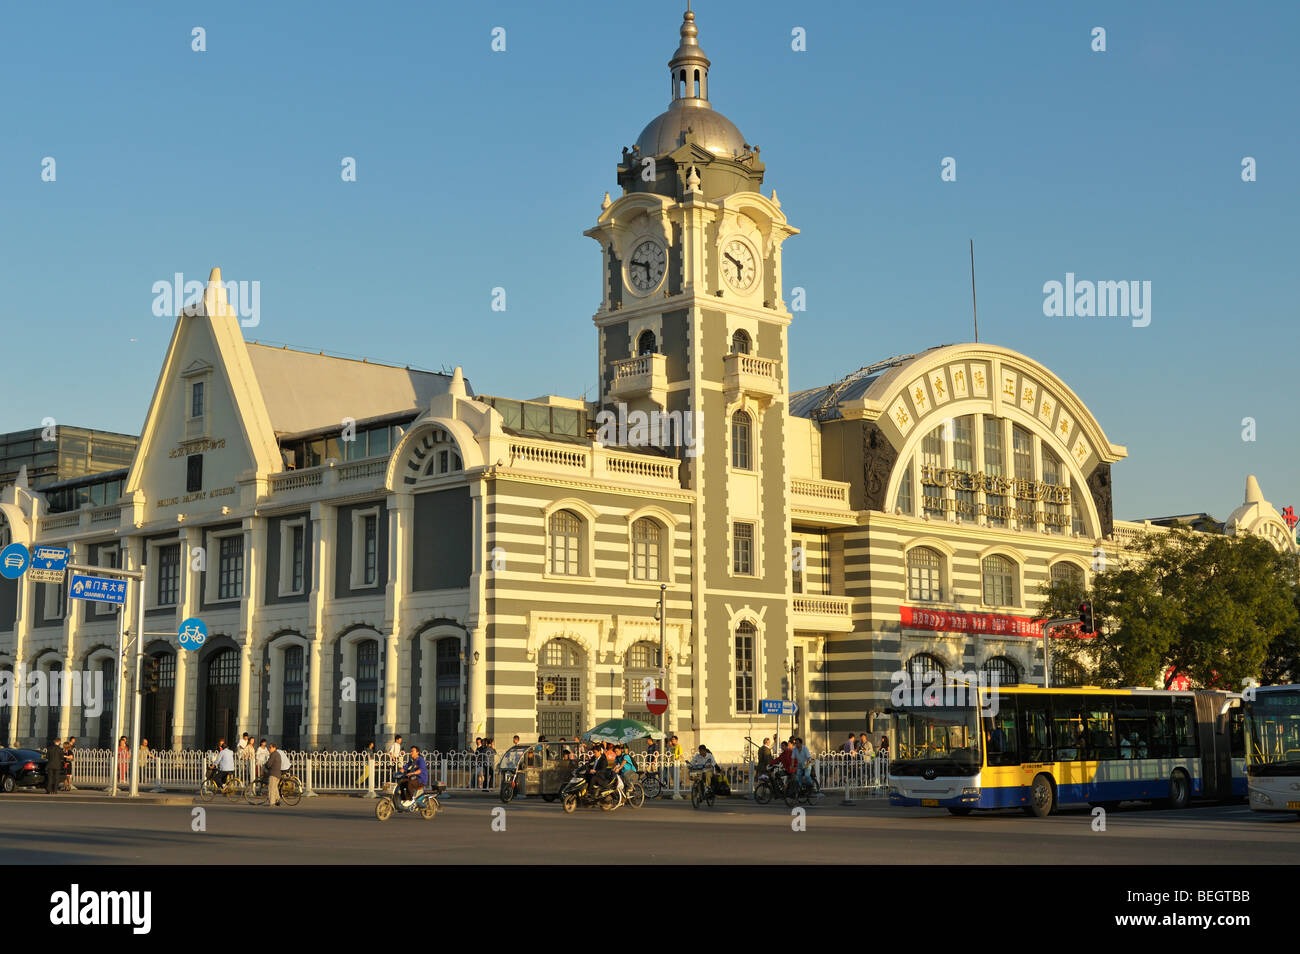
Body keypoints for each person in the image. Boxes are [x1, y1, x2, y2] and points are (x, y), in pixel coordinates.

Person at [266, 742, 288, 807]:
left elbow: (269, 764)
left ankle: (272, 802)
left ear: (274, 748)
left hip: (273, 773)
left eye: (270, 747)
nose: (269, 749)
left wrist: (266, 765)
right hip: (278, 774)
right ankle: (277, 800)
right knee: (275, 788)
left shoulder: (273, 754)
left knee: (271, 788)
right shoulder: (278, 754)